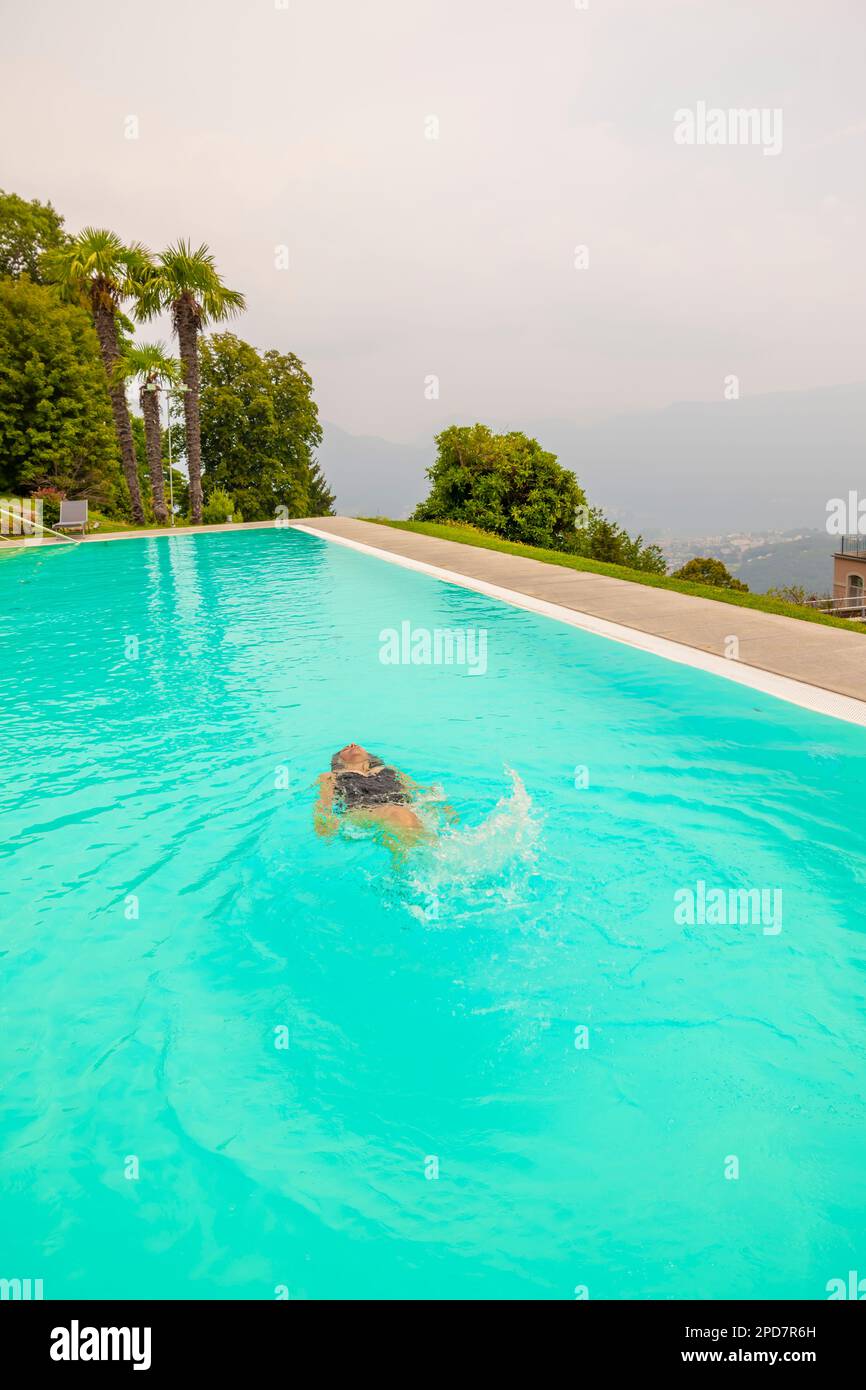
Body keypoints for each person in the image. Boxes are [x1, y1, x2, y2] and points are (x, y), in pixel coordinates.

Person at [314, 743, 430, 847]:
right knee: (399, 814)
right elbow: (324, 802)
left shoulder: (391, 770)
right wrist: (324, 823)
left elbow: (414, 789)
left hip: (400, 806)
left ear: (369, 757)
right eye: (345, 748)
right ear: (338, 761)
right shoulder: (330, 775)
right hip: (362, 810)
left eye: (355, 745)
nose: (352, 744)